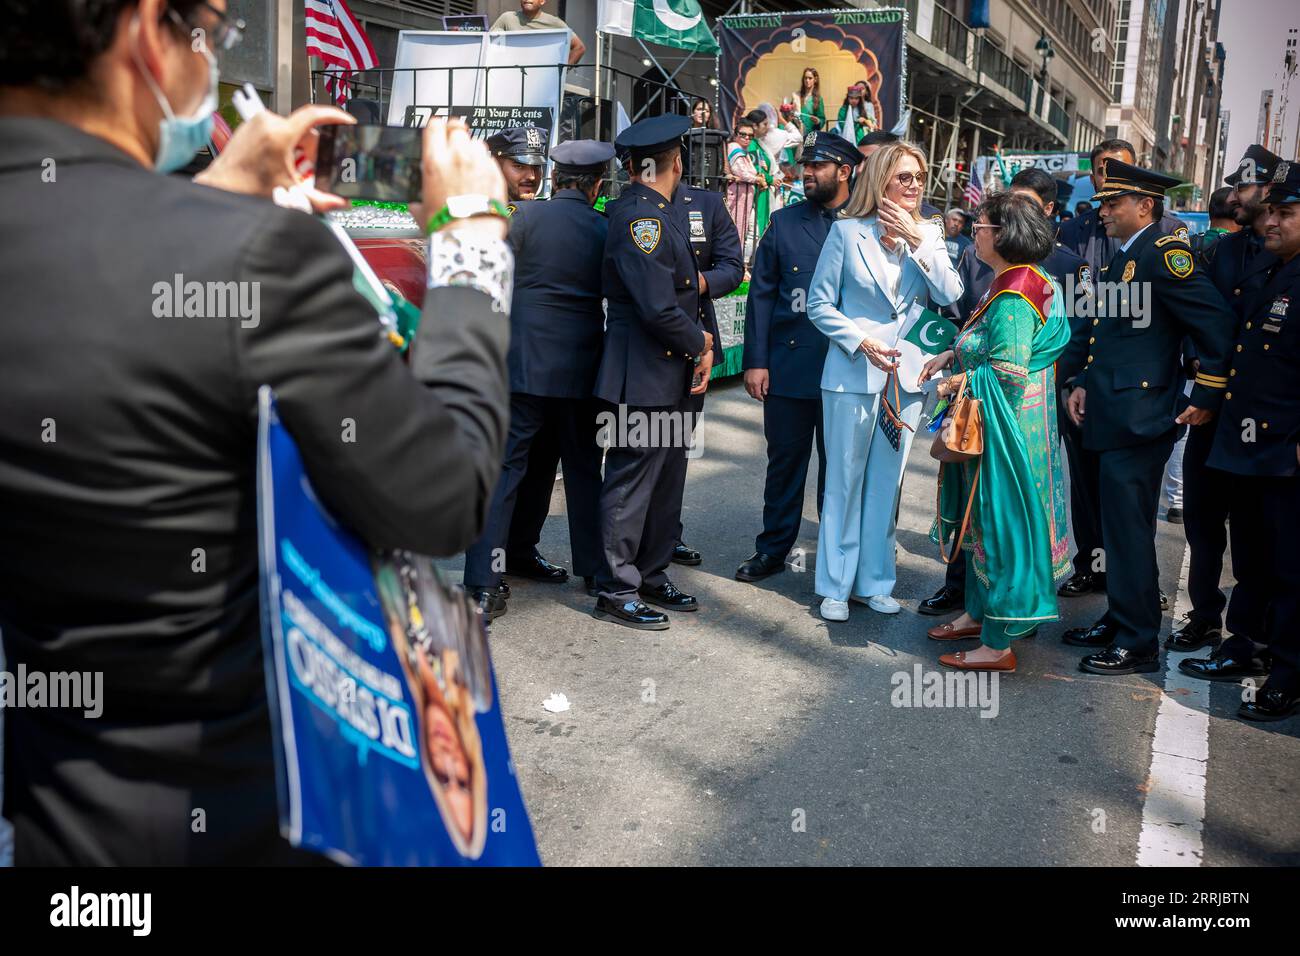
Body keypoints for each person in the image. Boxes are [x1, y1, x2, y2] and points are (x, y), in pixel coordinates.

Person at [0, 0, 512, 865]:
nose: (218, 59)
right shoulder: (257, 258)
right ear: (146, 34)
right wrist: (471, 246)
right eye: (216, 31)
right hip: (220, 821)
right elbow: (442, 490)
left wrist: (210, 201)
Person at [1060, 160, 1233, 675]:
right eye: (1104, 203)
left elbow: (1215, 323)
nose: (1104, 211)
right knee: (1116, 528)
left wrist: (1206, 390)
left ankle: (1137, 641)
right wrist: (1085, 383)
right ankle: (1120, 618)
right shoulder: (1125, 256)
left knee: (1130, 531)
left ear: (1146, 206)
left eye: (1114, 203)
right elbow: (1110, 335)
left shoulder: (1165, 255)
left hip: (1141, 414)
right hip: (1113, 407)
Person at [921, 168, 1087, 620]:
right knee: (991, 525)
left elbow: (1008, 373)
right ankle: (979, 615)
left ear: (1004, 233)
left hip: (1007, 428)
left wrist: (956, 383)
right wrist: (954, 355)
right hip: (1015, 422)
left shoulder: (1015, 293)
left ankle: (1001, 632)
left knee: (1000, 524)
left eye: (980, 227)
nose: (973, 234)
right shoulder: (1017, 278)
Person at [806, 141, 962, 621]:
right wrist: (858, 340)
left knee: (885, 486)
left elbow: (951, 292)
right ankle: (835, 585)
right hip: (852, 373)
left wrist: (918, 242)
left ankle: (875, 582)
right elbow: (819, 304)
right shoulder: (848, 233)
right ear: (881, 181)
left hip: (906, 380)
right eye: (904, 177)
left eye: (918, 177)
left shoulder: (930, 234)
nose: (914, 185)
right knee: (844, 481)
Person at [461, 140, 613, 618]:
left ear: (557, 177)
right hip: (582, 368)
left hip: (522, 364)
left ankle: (485, 582)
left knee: (508, 469)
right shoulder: (604, 227)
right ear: (598, 186)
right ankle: (594, 571)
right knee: (584, 470)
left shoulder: (522, 219)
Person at [594, 115, 713, 630]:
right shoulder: (642, 219)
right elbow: (657, 307)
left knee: (664, 479)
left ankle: (649, 571)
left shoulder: (653, 211)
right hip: (644, 373)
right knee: (632, 480)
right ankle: (616, 587)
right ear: (676, 163)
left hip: (666, 373)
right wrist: (702, 342)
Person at [1055, 138, 1186, 601]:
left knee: (1130, 512)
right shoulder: (1096, 240)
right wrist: (1078, 379)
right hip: (1094, 384)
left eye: (1115, 192)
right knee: (1097, 499)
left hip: (1137, 400)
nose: (1105, 200)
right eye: (1099, 176)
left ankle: (1135, 606)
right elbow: (1089, 318)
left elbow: (1197, 323)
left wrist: (1199, 392)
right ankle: (1105, 591)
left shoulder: (1167, 242)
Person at [1174, 144, 1282, 675]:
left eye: (1246, 187)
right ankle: (1204, 616)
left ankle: (1248, 637)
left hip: (1259, 417)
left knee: (1252, 535)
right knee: (1201, 521)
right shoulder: (1223, 251)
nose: (1236, 196)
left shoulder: (1284, 256)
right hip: (1211, 408)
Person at [736, 131, 860, 583]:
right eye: (806, 165)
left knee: (841, 469)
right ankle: (772, 549)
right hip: (791, 367)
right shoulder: (785, 223)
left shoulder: (868, 224)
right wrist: (756, 360)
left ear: (844, 171)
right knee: (785, 463)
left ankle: (835, 558)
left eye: (818, 166)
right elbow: (762, 296)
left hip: (848, 370)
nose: (807, 172)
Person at [1210, 161, 1300, 721]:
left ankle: (1287, 673)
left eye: (1285, 214)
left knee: (1292, 567)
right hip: (1248, 445)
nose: (1271, 222)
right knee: (1252, 557)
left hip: (1288, 450)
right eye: (1271, 211)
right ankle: (1243, 643)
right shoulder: (1269, 272)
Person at [486, 126, 573, 587]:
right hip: (495, 360)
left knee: (540, 466)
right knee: (502, 472)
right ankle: (489, 569)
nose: (531, 175)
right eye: (520, 164)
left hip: (537, 364)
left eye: (537, 167)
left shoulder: (536, 214)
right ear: (494, 160)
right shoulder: (480, 210)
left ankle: (521, 550)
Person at [665, 149, 745, 568]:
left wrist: (696, 281)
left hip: (695, 339)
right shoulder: (630, 207)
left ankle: (666, 534)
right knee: (635, 444)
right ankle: (627, 544)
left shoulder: (707, 204)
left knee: (676, 445)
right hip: (645, 345)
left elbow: (732, 266)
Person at [490, 0, 586, 66]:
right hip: (510, 77)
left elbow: (579, 47)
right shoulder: (507, 18)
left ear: (542, 1)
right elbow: (492, 47)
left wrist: (563, 71)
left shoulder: (554, 22)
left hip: (540, 84)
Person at [724, 120, 763, 261]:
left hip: (745, 196)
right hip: (737, 196)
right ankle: (735, 263)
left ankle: (741, 263)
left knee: (749, 230)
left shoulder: (743, 151)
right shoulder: (734, 148)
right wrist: (757, 179)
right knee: (737, 230)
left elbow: (748, 173)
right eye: (743, 134)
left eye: (750, 136)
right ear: (735, 135)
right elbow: (742, 172)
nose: (747, 138)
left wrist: (756, 177)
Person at [793, 67, 826, 134]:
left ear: (815, 79)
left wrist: (818, 121)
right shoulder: (797, 96)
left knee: (810, 144)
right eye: (805, 78)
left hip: (811, 134)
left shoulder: (818, 99)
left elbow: (822, 119)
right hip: (797, 133)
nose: (807, 80)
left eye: (810, 78)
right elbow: (791, 114)